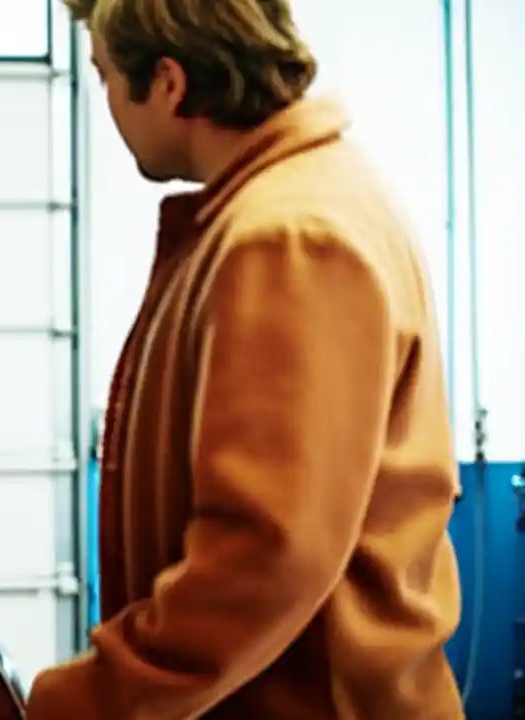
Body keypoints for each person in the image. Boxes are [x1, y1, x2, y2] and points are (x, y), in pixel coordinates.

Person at [27, 1, 464, 718]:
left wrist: (80, 702)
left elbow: (264, 557)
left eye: (105, 77)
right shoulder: (298, 203)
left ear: (167, 82)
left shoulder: (290, 235)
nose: (105, 105)